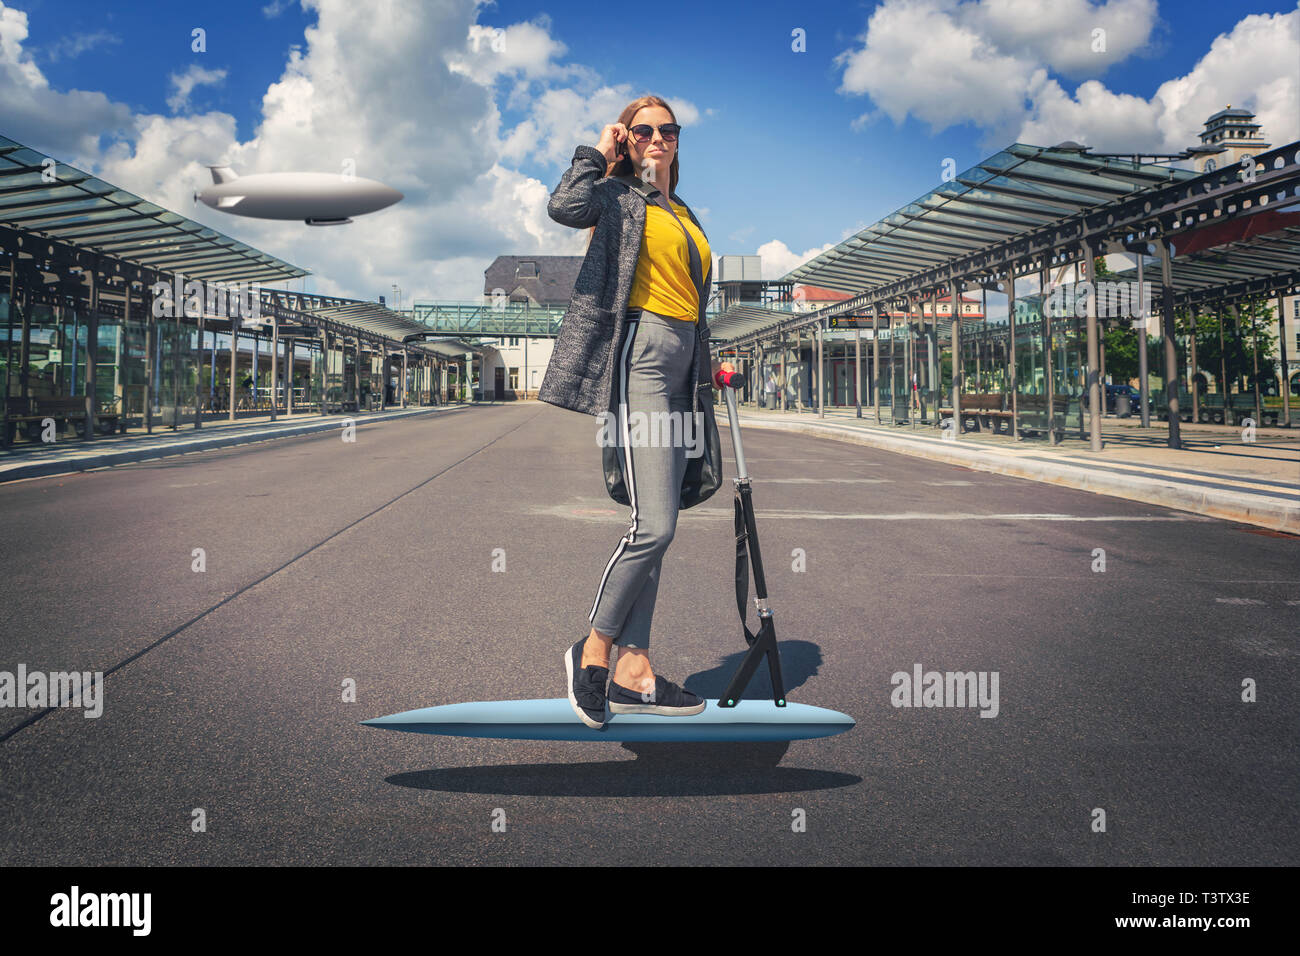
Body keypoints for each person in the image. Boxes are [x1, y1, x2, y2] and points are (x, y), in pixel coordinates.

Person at [544, 95, 734, 729]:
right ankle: (594, 651)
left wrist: (709, 363)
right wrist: (598, 151)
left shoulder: (684, 212)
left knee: (663, 518)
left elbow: (691, 298)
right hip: (644, 360)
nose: (658, 138)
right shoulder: (618, 196)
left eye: (668, 129)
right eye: (644, 129)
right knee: (653, 526)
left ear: (678, 140)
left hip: (686, 369)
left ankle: (635, 668)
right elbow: (564, 206)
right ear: (628, 139)